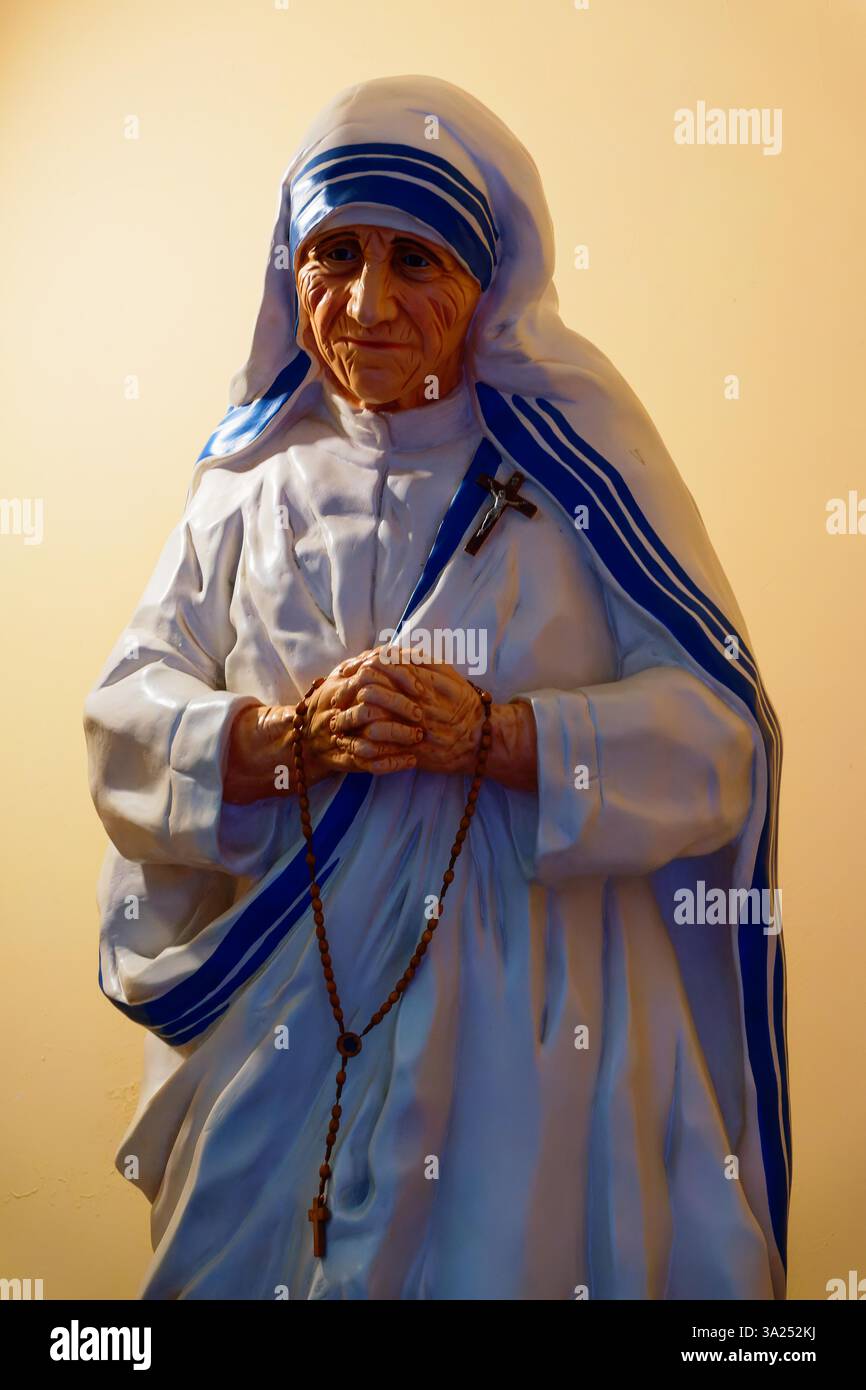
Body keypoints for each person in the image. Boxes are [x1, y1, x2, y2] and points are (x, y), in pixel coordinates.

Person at [84, 75, 788, 1300]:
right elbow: (125, 721)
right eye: (333, 253)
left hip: (533, 1017)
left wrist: (507, 736)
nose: (364, 302)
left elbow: (717, 745)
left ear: (485, 283)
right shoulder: (242, 491)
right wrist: (279, 741)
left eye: (414, 260)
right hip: (289, 1000)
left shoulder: (578, 486)